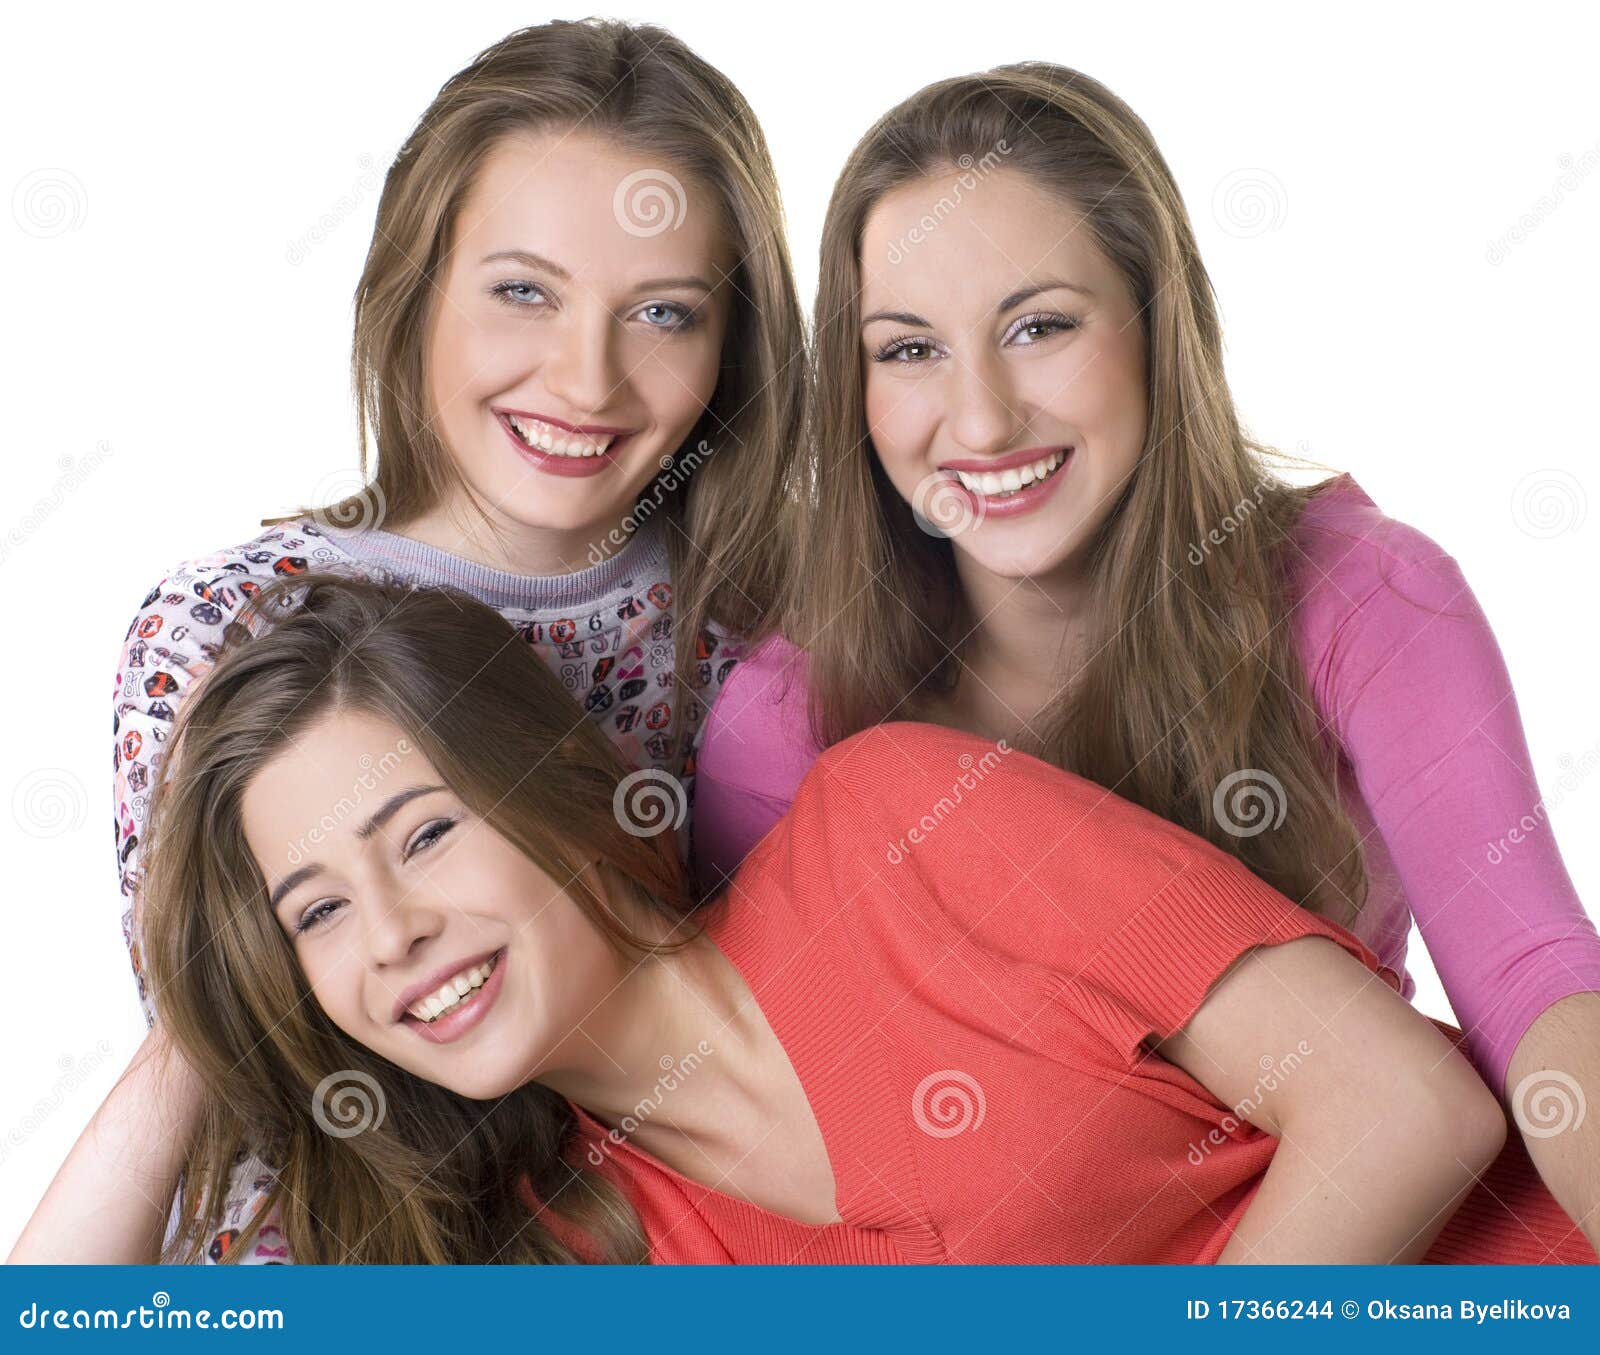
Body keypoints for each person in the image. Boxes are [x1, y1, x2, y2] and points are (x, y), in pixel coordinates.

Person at [17, 574, 1592, 1264]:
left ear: (553, 781)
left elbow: (1404, 1100)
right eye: (315, 912)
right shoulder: (574, 1244)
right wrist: (202, 1016)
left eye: (424, 833)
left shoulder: (896, 822)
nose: (393, 933)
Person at [690, 61, 1600, 1250]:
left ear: (1159, 327)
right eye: (908, 350)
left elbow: (1532, 979)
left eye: (1040, 327)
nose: (982, 419)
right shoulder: (787, 716)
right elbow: (748, 1109)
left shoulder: (1365, 596)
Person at [109, 17, 804, 1263]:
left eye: (661, 311)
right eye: (523, 291)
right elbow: (243, 1088)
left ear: (732, 343)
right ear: (414, 289)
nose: (585, 381)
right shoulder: (225, 626)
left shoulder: (759, 619)